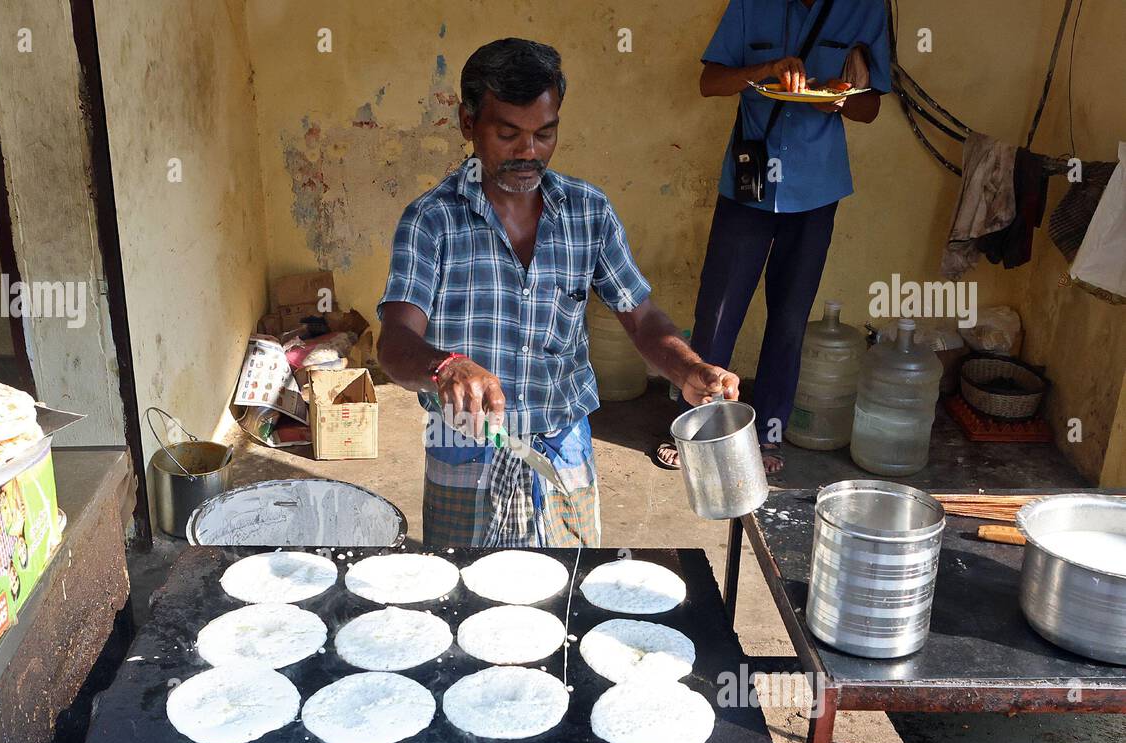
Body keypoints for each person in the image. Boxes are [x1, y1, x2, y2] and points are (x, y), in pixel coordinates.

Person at [378, 38, 739, 548]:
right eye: (508, 134)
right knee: (464, 602)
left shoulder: (588, 211)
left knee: (568, 599)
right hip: (463, 447)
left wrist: (687, 369)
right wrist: (445, 367)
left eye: (545, 133)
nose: (528, 152)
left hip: (564, 446)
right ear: (467, 123)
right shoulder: (431, 221)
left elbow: (641, 317)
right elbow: (394, 341)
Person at [653, 0, 889, 475]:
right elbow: (710, 83)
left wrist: (838, 94)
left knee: (789, 317)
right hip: (749, 184)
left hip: (818, 188)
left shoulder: (864, 10)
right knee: (718, 310)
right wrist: (767, 69)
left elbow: (871, 108)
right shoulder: (751, 5)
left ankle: (768, 435)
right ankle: (694, 424)